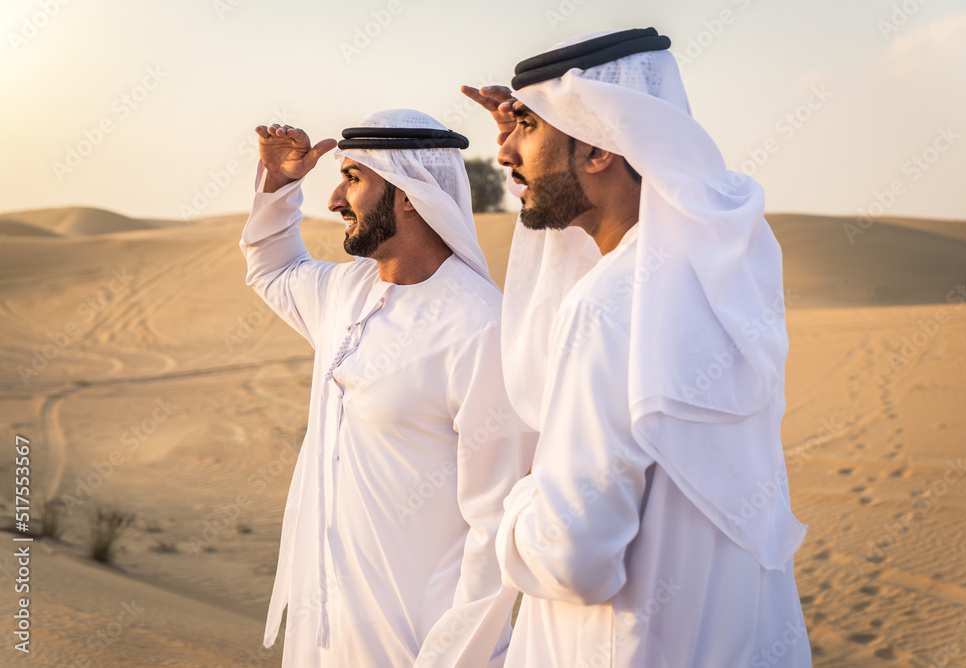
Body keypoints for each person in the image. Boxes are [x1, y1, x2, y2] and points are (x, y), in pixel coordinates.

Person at [462, 28, 812, 666]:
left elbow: (574, 560)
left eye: (526, 129)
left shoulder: (606, 310)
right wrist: (539, 138)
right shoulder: (722, 271)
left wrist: (519, 502)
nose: (503, 154)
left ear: (597, 149)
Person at [240, 109, 527, 667]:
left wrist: (448, 657)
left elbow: (495, 531)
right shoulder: (345, 292)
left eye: (352, 179)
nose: (333, 201)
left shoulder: (479, 326)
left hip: (419, 647)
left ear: (410, 194)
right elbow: (271, 268)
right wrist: (279, 184)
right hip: (324, 635)